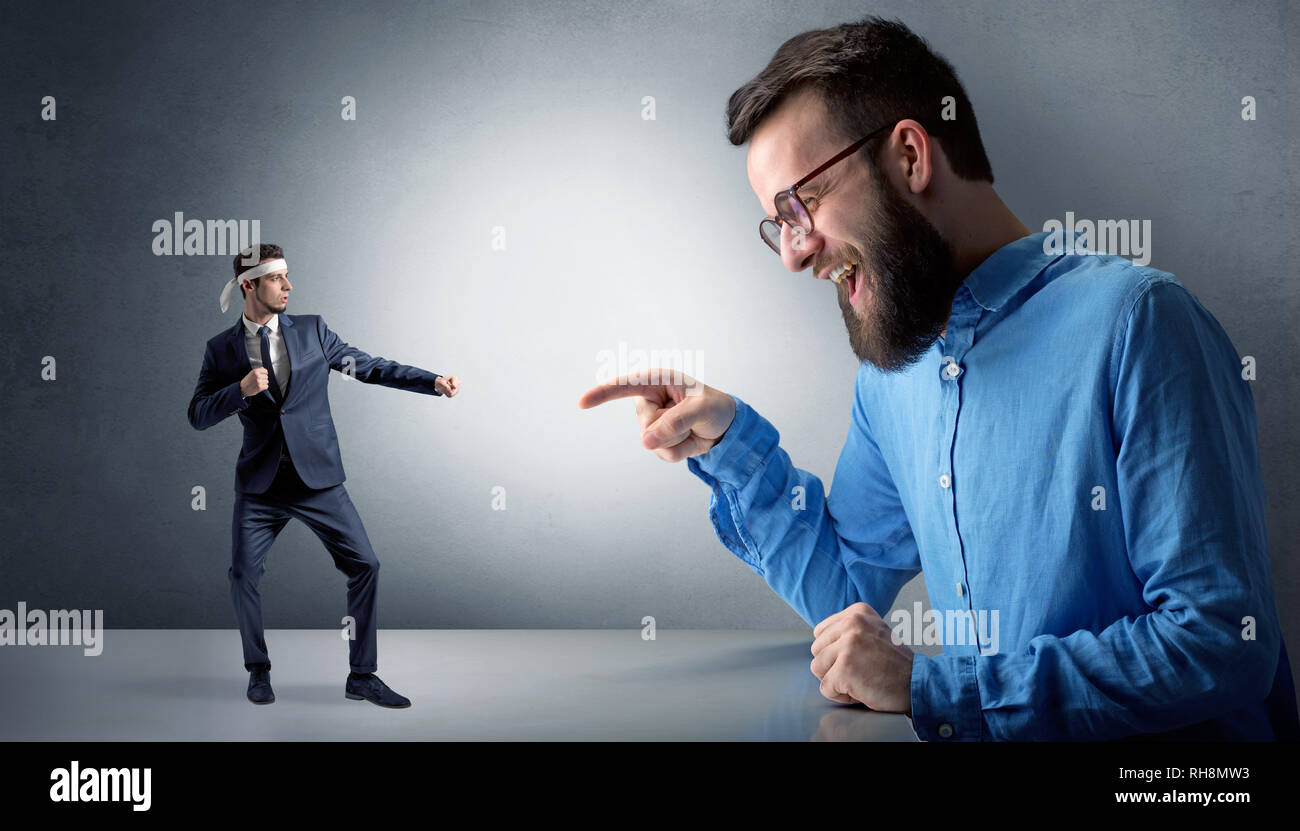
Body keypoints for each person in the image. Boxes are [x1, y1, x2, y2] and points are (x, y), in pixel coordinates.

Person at [579, 17, 1298, 740]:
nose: (793, 255)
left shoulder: (1142, 324)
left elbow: (1219, 641)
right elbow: (849, 590)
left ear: (912, 156)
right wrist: (728, 442)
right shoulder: (893, 378)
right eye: (777, 224)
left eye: (802, 203)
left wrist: (936, 688)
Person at [188, 243, 460, 707]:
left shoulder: (314, 331)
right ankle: (258, 672)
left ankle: (362, 676)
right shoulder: (221, 350)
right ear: (250, 285)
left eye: (288, 277)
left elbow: (369, 365)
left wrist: (429, 380)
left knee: (365, 565)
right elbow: (197, 414)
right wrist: (238, 390)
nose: (289, 286)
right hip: (261, 487)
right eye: (278, 279)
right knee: (242, 576)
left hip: (318, 482)